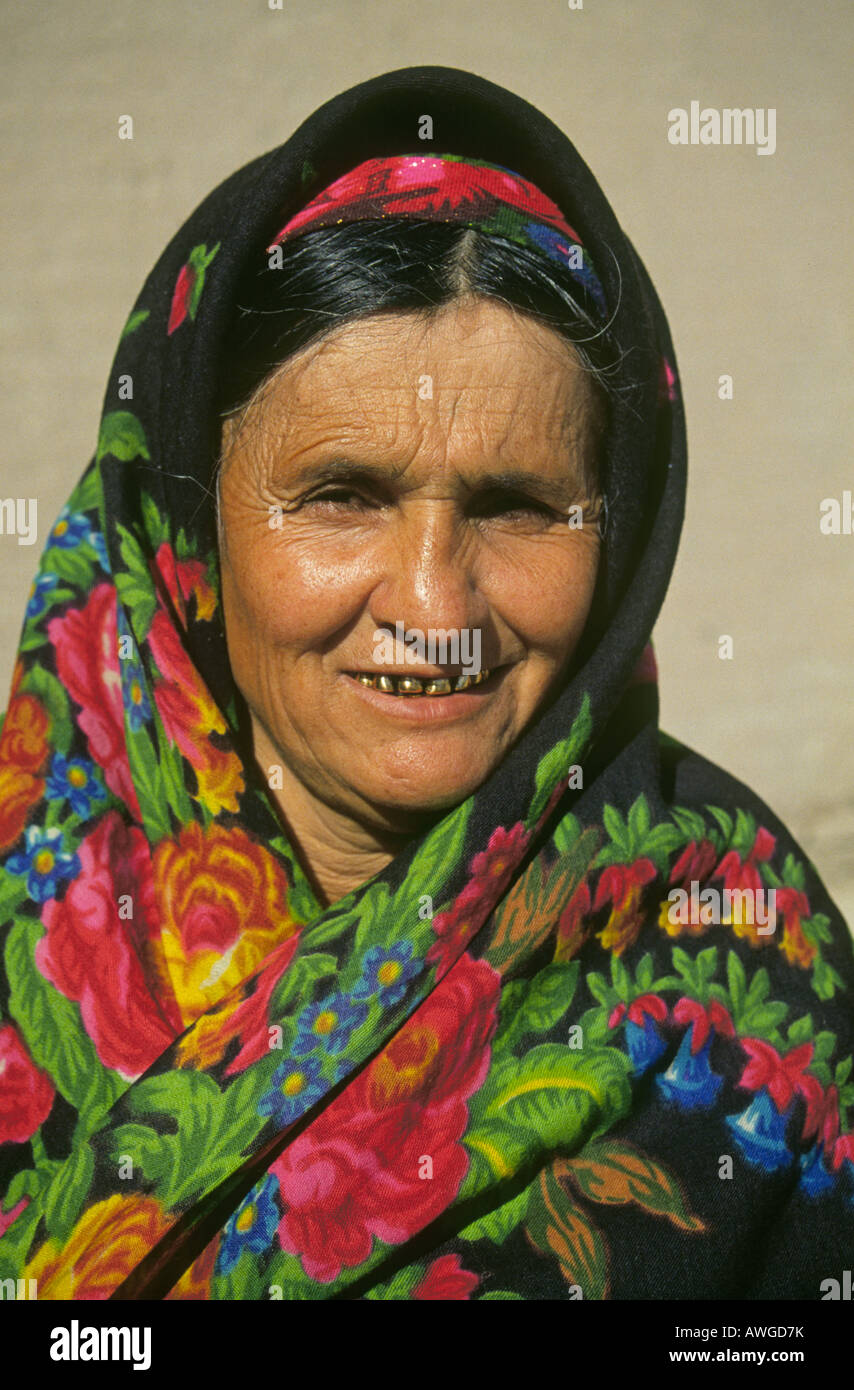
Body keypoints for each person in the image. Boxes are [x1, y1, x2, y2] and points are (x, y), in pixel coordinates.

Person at [0, 64, 851, 1302]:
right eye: (341, 496)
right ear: (190, 536)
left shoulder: (735, 962)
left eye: (518, 507)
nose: (435, 607)